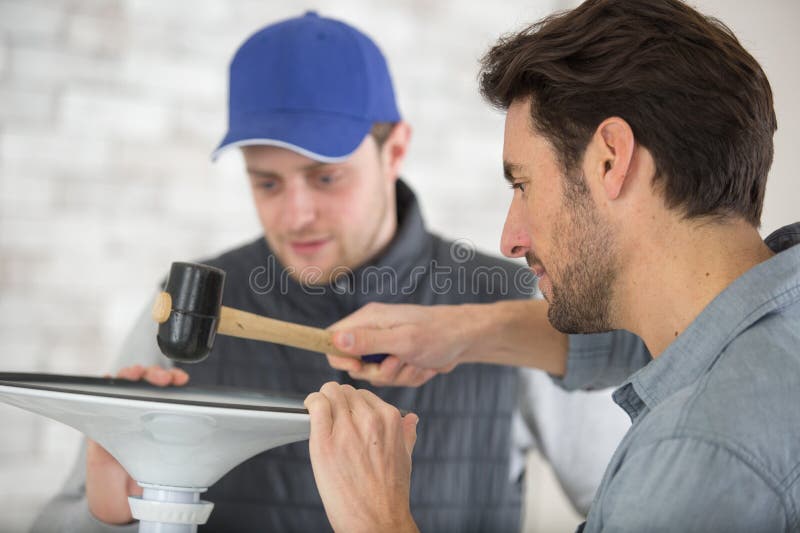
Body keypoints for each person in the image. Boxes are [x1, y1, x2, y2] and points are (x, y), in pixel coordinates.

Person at [32, 11, 630, 533]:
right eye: (267, 182)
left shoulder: (518, 302)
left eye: (326, 177)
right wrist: (106, 516)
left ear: (394, 150)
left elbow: (627, 511)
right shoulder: (179, 303)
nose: (296, 216)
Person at [305, 0, 800, 531]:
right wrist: (461, 330)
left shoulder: (697, 453)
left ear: (611, 159)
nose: (510, 239)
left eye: (523, 185)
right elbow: (659, 342)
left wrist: (375, 519)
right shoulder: (773, 319)